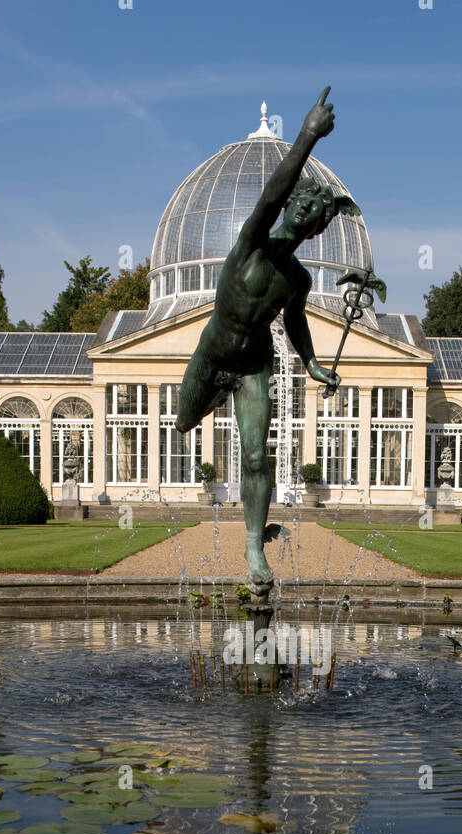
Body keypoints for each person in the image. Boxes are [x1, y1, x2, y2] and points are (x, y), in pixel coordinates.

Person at [174, 87, 360, 588]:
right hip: (212, 354)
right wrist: (306, 137)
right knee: (181, 424)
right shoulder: (252, 243)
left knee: (257, 453)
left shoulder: (296, 279)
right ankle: (210, 400)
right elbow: (271, 193)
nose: (304, 217)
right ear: (291, 207)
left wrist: (313, 365)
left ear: (319, 228)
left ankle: (255, 548)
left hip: (254, 363)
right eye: (301, 208)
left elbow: (296, 322)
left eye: (315, 218)